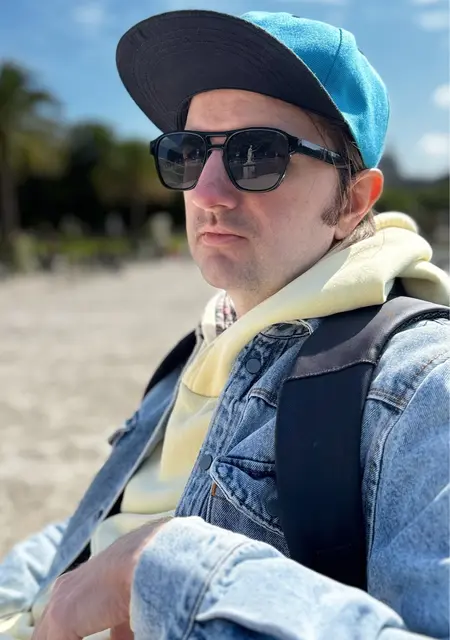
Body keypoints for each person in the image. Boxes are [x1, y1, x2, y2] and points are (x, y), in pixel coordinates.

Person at [0, 9, 449, 640]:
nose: (207, 192)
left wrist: (158, 572)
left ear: (352, 202)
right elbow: (107, 523)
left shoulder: (420, 387)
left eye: (257, 154)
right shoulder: (209, 339)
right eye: (188, 154)